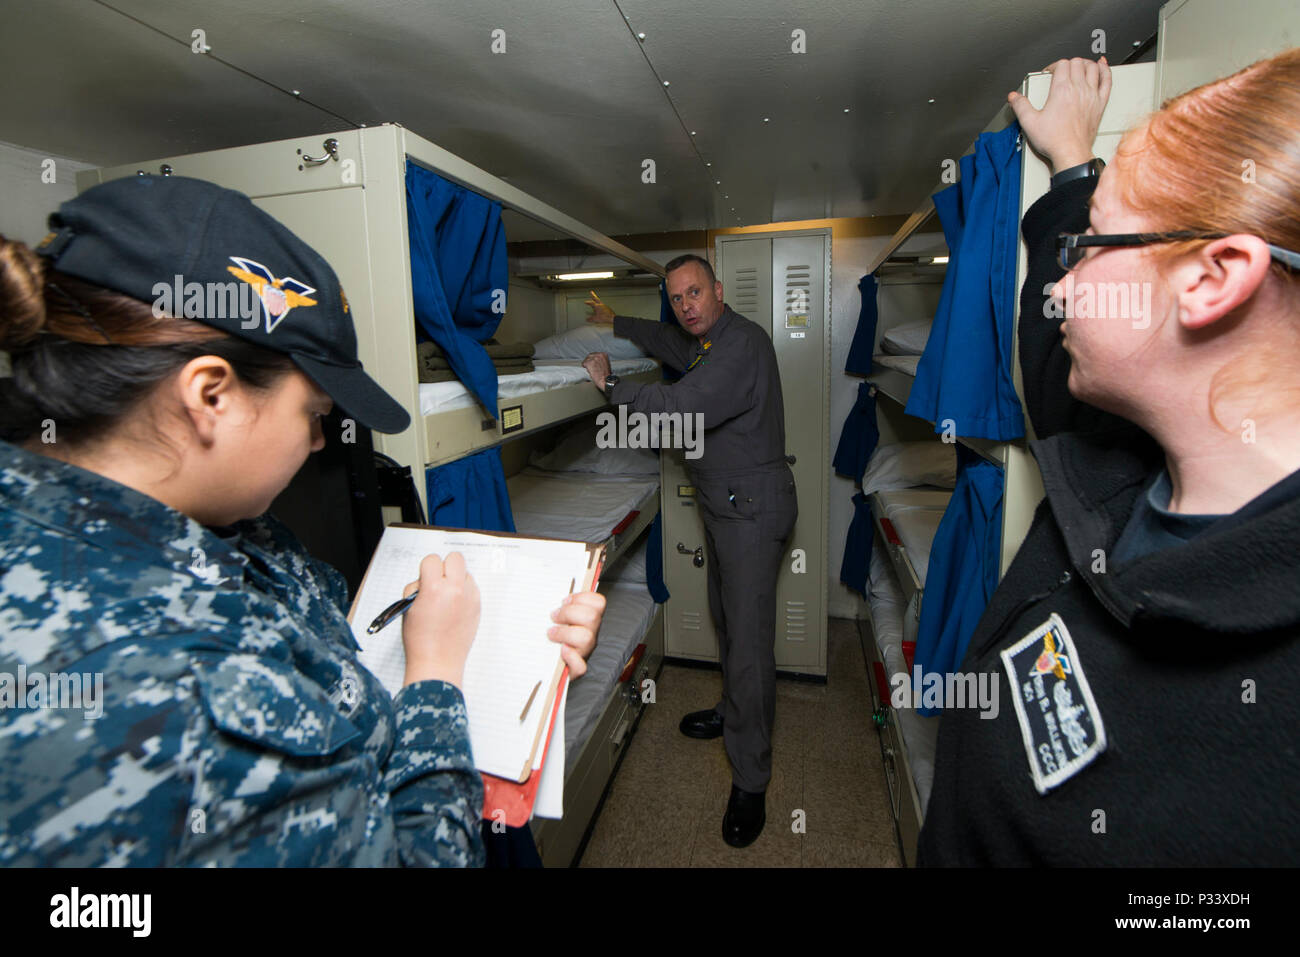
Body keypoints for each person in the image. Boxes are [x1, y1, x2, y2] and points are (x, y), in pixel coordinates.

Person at [0, 175, 605, 866]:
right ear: (211, 395)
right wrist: (435, 672)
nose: (322, 443)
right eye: (315, 414)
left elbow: (324, 644)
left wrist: (508, 630)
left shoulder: (204, 523)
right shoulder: (169, 692)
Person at [919, 50, 1300, 865]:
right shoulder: (1111, 455)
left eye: (1088, 246)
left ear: (1214, 278)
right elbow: (1051, 352)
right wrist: (1071, 168)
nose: (1059, 283)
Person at [581, 254, 797, 847]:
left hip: (751, 511)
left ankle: (751, 779)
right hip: (728, 508)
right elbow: (665, 339)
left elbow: (680, 409)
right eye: (677, 297)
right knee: (729, 621)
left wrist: (610, 384)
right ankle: (732, 711)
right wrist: (617, 321)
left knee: (749, 644)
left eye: (695, 292)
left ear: (718, 290)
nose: (686, 306)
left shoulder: (740, 346)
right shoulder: (702, 342)